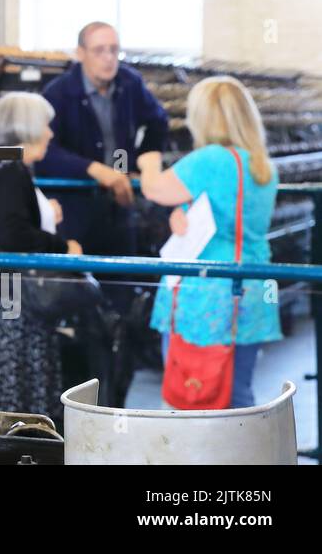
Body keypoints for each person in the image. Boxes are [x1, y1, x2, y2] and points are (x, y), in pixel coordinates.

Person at [138, 76, 280, 408]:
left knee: (190, 391)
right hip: (253, 287)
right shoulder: (261, 165)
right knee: (238, 390)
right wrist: (183, 212)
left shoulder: (212, 159)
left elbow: (155, 189)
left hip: (207, 296)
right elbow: (229, 215)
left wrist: (148, 160)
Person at [0, 92, 82, 423]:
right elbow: (13, 234)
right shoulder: (10, 171)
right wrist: (64, 247)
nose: (50, 133)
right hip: (14, 301)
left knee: (1, 387)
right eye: (45, 125)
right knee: (20, 385)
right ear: (27, 128)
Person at [36, 21, 169, 260]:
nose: (108, 58)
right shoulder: (59, 93)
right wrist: (97, 171)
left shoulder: (129, 84)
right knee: (78, 286)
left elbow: (157, 122)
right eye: (99, 50)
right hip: (74, 207)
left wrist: (137, 166)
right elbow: (46, 152)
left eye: (114, 50)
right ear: (80, 54)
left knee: (121, 277)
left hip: (119, 206)